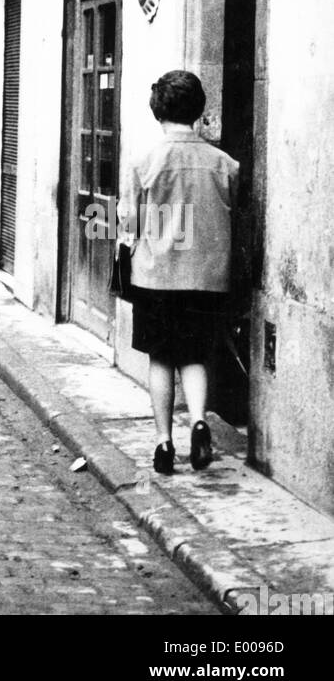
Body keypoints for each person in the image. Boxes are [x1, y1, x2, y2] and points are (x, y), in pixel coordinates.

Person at [118, 70, 239, 476]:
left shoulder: (143, 163)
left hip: (155, 278)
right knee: (196, 355)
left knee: (161, 358)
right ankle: (200, 422)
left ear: (157, 111)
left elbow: (127, 225)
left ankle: (164, 443)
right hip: (206, 278)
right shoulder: (226, 165)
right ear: (199, 111)